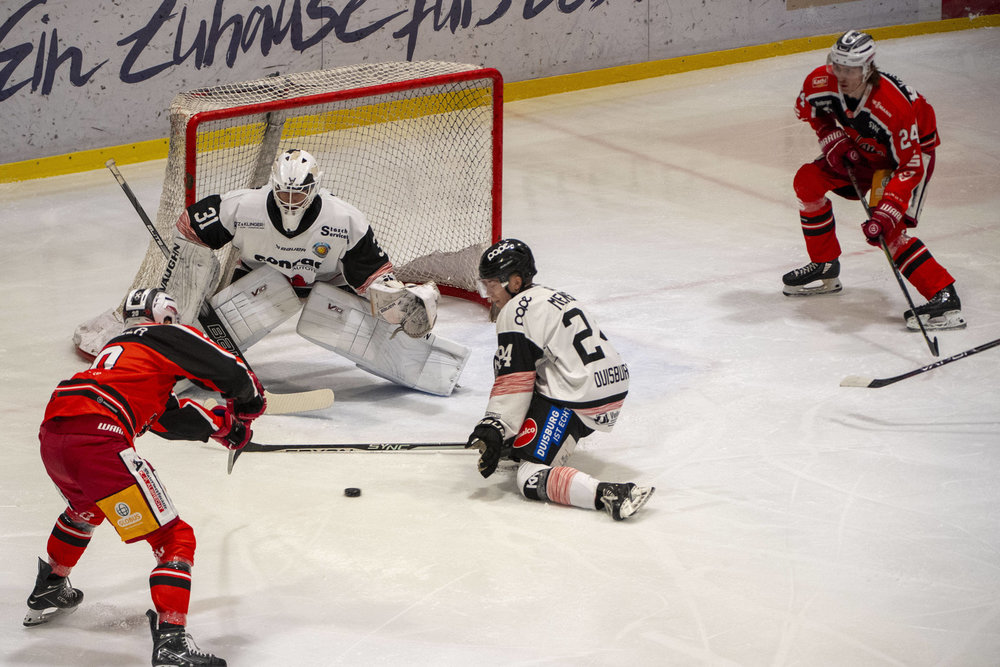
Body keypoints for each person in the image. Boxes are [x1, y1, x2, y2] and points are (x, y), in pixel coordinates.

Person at [24, 287, 266, 666]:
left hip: (55, 435)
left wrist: (222, 427)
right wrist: (249, 404)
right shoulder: (164, 335)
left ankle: (50, 587)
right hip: (99, 438)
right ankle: (172, 642)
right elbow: (230, 370)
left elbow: (166, 417)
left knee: (85, 507)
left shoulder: (120, 353)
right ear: (165, 317)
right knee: (174, 537)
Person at [168, 147, 468, 396]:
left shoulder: (344, 219)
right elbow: (188, 230)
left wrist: (393, 297)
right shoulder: (242, 206)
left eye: (298, 193)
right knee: (211, 318)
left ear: (316, 185)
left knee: (364, 329)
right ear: (273, 183)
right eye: (284, 191)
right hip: (258, 283)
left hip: (329, 285)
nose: (289, 200)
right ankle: (177, 363)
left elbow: (371, 274)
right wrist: (198, 287)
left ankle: (438, 368)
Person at [783, 30, 965, 331]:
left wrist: (887, 210)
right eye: (836, 65)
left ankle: (943, 294)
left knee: (888, 232)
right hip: (863, 146)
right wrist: (830, 136)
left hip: (907, 157)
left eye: (850, 69)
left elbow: (910, 165)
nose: (841, 75)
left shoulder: (892, 107)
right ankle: (826, 266)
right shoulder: (821, 82)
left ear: (867, 69)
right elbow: (813, 112)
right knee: (808, 181)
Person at [465, 239, 654, 521]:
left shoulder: (513, 313)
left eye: (491, 286)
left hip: (578, 397)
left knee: (529, 476)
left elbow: (514, 378)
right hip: (607, 387)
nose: (487, 295)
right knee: (524, 361)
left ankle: (610, 493)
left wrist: (495, 426)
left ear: (514, 283)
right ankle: (526, 432)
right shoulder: (549, 295)